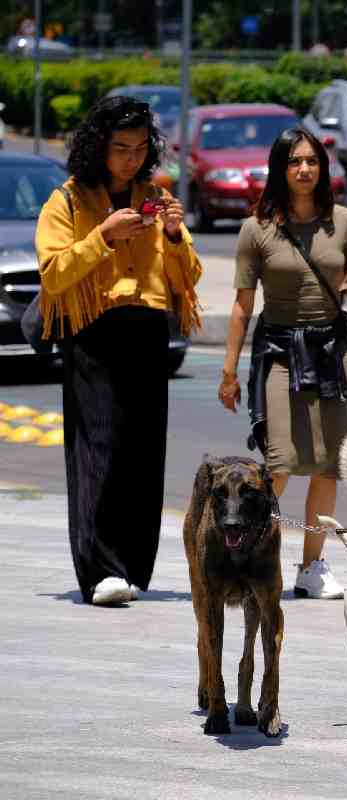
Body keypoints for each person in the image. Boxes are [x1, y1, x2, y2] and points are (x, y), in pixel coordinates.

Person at [35, 95, 202, 606]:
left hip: (148, 329)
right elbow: (52, 273)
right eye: (120, 148)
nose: (131, 159)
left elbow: (189, 276)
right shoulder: (67, 202)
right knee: (97, 452)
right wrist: (103, 237)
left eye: (139, 148)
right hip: (93, 330)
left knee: (143, 454)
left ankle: (130, 566)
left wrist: (173, 235)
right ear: (98, 148)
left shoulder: (155, 197)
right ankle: (99, 570)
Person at [218, 127, 347, 600]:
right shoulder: (256, 229)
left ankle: (312, 567)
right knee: (279, 461)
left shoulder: (343, 222)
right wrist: (228, 369)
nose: (304, 169)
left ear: (322, 168)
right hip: (280, 351)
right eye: (294, 161)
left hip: (331, 352)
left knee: (327, 466)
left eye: (311, 161)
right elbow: (242, 305)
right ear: (279, 169)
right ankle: (242, 560)